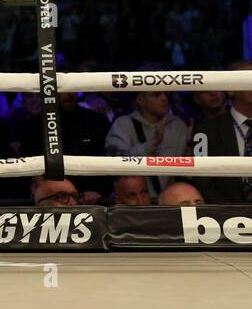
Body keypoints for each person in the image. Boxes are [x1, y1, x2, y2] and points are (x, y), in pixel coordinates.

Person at [105, 88, 190, 197]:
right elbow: (116, 165)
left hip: (172, 201)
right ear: (140, 100)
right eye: (156, 94)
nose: (164, 98)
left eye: (166, 93)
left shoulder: (178, 125)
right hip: (136, 203)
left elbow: (184, 171)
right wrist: (153, 142)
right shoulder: (122, 125)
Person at [190, 60, 252, 204]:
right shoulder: (205, 131)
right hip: (228, 215)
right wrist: (233, 213)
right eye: (247, 79)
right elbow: (202, 182)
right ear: (230, 89)